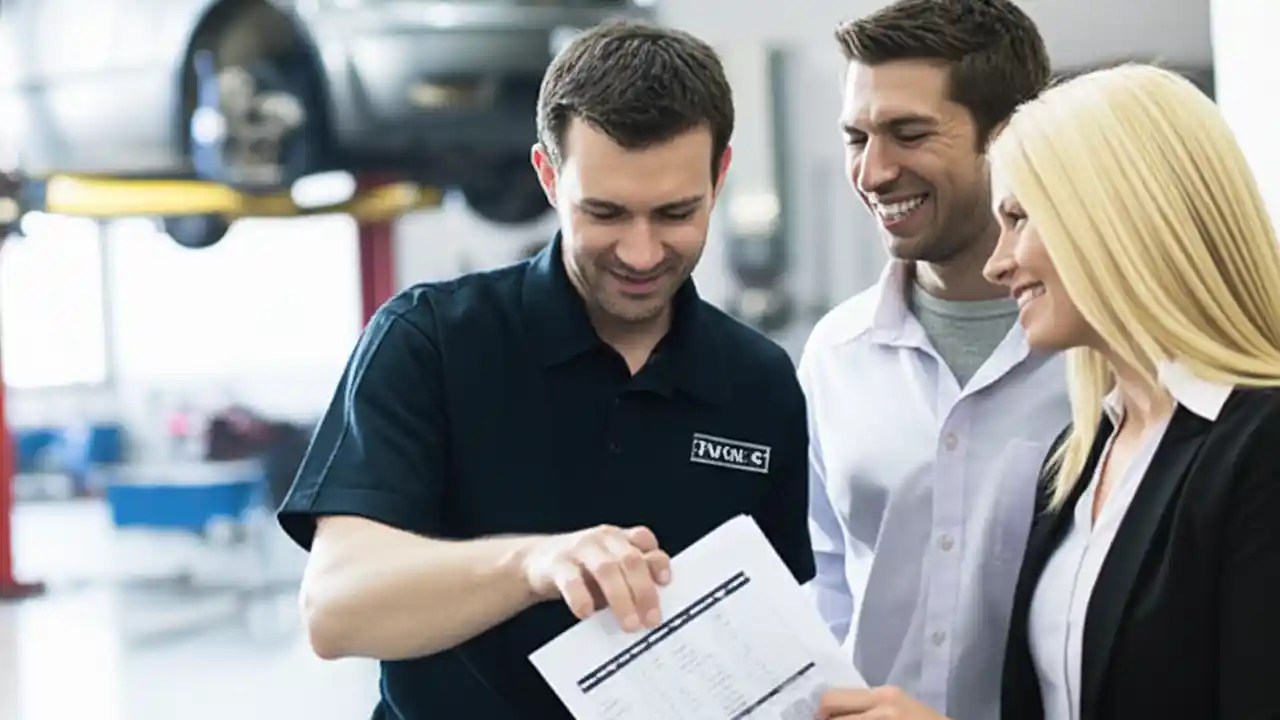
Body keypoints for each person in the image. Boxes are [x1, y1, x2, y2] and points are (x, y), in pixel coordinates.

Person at [275, 19, 815, 720]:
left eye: (676, 212)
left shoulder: (759, 383)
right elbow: (335, 609)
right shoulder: (431, 343)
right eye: (606, 212)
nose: (643, 251)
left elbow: (775, 637)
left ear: (720, 175)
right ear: (548, 175)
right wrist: (534, 566)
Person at [981, 64, 1280, 720]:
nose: (996, 261)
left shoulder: (1263, 449)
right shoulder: (1077, 460)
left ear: (1113, 215)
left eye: (1019, 217)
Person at [801, 2, 1071, 718]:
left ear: (1008, 137)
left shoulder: (1100, 356)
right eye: (856, 137)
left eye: (909, 134)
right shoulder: (835, 354)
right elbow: (826, 580)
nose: (874, 171)